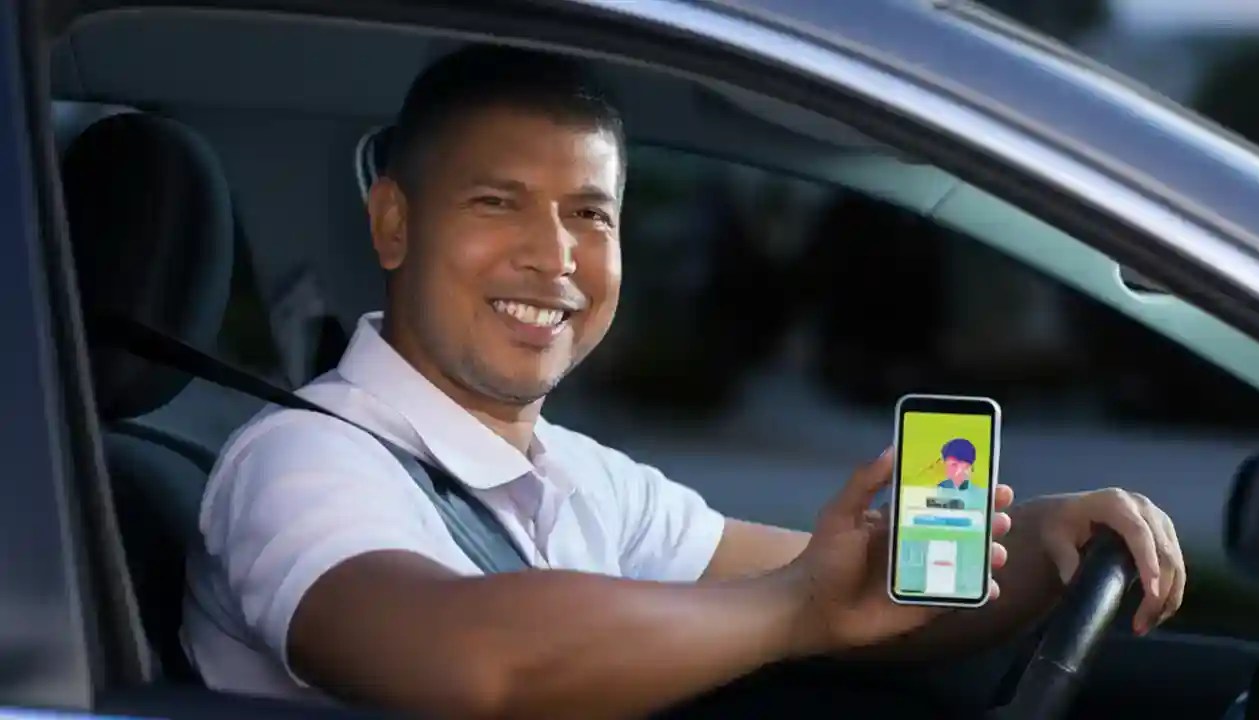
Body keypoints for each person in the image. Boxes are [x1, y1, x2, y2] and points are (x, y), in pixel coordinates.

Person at [181, 45, 1186, 719]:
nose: (555, 256)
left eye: (590, 213)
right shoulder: (300, 461)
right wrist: (793, 609)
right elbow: (475, 659)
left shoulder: (579, 477)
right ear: (393, 222)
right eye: (498, 202)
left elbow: (851, 593)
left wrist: (1050, 544)